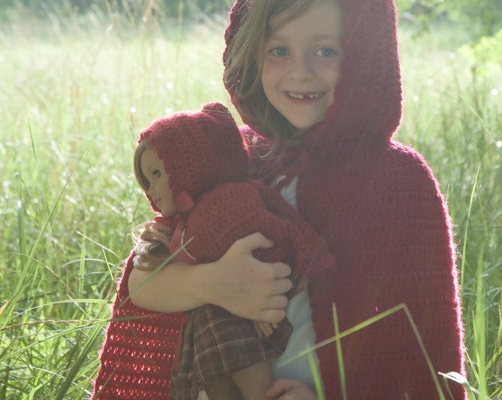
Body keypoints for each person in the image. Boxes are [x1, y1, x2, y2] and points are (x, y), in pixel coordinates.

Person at [128, 0, 467, 399]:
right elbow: (143, 281)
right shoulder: (235, 160)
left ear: (365, 59)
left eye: (325, 50)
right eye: (279, 50)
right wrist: (213, 283)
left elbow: (424, 354)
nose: (300, 72)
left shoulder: (397, 185)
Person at [93, 102, 332, 400]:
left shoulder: (233, 203)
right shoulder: (172, 226)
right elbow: (139, 284)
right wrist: (211, 282)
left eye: (156, 173)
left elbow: (275, 241)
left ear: (189, 165)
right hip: (201, 356)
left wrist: (264, 302)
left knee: (226, 343)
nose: (150, 191)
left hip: (251, 335)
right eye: (146, 180)